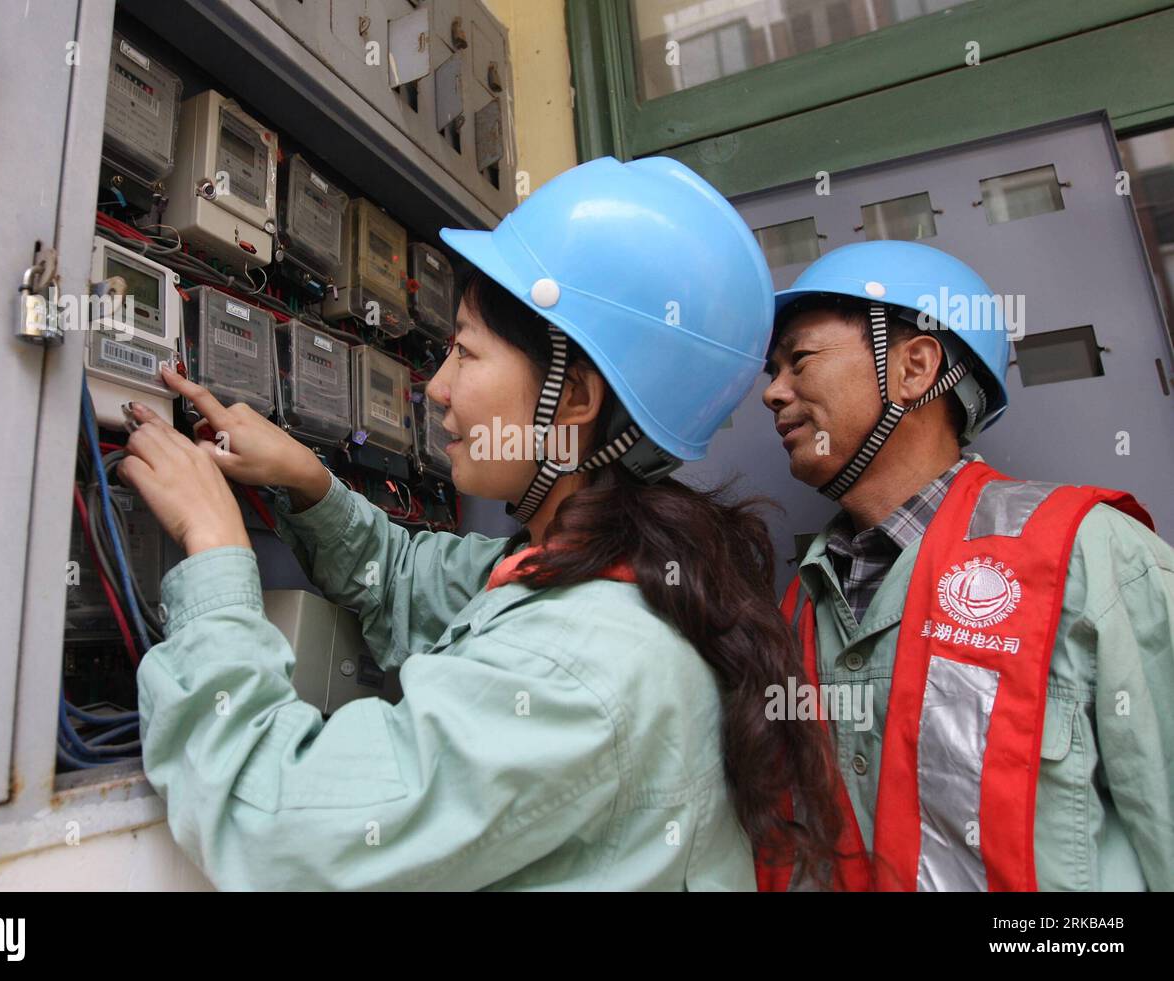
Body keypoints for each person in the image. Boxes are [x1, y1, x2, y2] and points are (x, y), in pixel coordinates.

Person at [117, 155, 841, 890]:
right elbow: (406, 579)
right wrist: (310, 482)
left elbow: (273, 823)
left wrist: (214, 549)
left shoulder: (578, 666)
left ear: (576, 396)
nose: (436, 387)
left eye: (465, 350)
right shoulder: (607, 564)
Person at [756, 240, 1174, 891]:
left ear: (916, 367)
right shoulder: (800, 610)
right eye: (770, 371)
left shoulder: (1091, 556)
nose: (773, 393)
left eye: (799, 360)